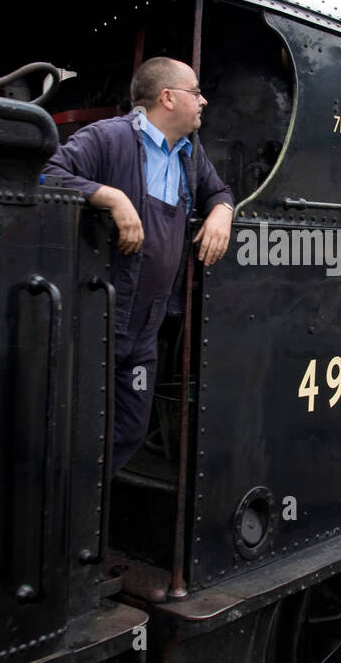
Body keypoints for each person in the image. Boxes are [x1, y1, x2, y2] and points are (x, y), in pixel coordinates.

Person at [42, 56, 235, 473]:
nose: (203, 102)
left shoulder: (190, 154)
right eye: (195, 92)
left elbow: (218, 191)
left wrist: (222, 211)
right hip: (99, 319)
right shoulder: (107, 139)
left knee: (129, 428)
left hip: (148, 325)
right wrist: (107, 196)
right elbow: (45, 174)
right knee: (78, 427)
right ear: (168, 97)